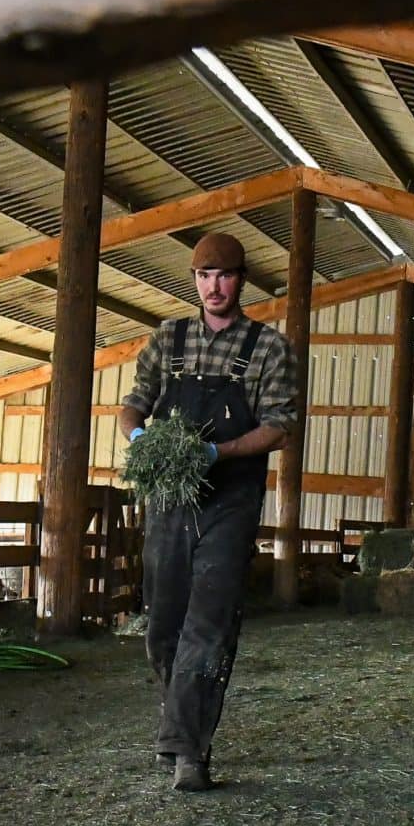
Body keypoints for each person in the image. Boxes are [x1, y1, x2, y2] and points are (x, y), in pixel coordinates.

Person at [116, 231, 299, 791]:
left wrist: (218, 451)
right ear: (193, 280)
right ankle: (179, 725)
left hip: (230, 501)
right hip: (171, 499)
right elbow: (133, 405)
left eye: (223, 276)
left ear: (241, 280)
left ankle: (189, 749)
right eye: (203, 276)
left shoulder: (268, 347)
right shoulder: (167, 338)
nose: (213, 286)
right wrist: (141, 437)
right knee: (163, 625)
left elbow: (280, 426)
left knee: (209, 622)